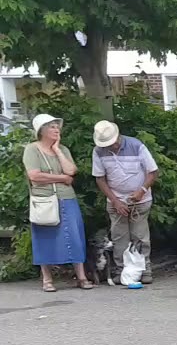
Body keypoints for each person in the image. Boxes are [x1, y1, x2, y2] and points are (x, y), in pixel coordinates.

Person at [24, 114, 95, 291]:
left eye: (57, 127)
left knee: (75, 236)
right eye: (52, 127)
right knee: (44, 237)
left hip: (66, 197)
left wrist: (57, 150)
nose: (56, 130)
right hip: (44, 200)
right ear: (42, 130)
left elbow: (71, 171)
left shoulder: (62, 148)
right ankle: (47, 279)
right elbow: (34, 176)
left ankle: (81, 276)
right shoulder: (32, 149)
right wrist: (61, 178)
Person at [91, 120, 159, 284]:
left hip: (140, 199)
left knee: (140, 236)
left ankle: (144, 270)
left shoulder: (136, 145)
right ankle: (122, 271)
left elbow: (153, 171)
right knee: (119, 237)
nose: (111, 146)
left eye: (113, 142)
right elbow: (100, 179)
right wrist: (115, 201)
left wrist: (141, 191)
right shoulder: (98, 151)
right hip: (116, 199)